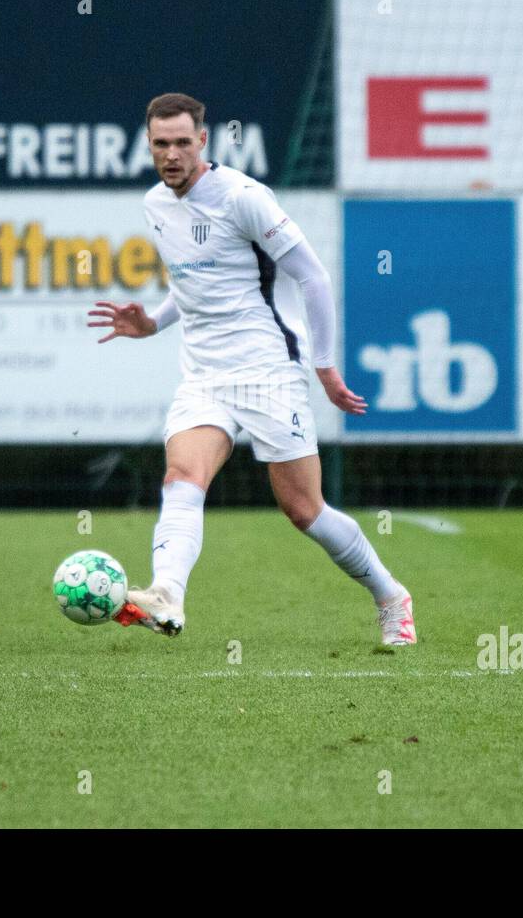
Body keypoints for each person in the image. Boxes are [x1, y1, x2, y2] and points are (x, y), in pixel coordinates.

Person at [87, 93, 415, 645]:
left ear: (203, 142)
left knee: (303, 509)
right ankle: (167, 593)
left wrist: (326, 368)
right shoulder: (155, 205)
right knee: (182, 477)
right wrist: (155, 323)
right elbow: (194, 282)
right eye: (160, 144)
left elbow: (313, 278)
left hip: (267, 369)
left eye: (182, 143)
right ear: (148, 145)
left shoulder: (243, 197)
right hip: (204, 375)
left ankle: (391, 595)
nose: (171, 155)